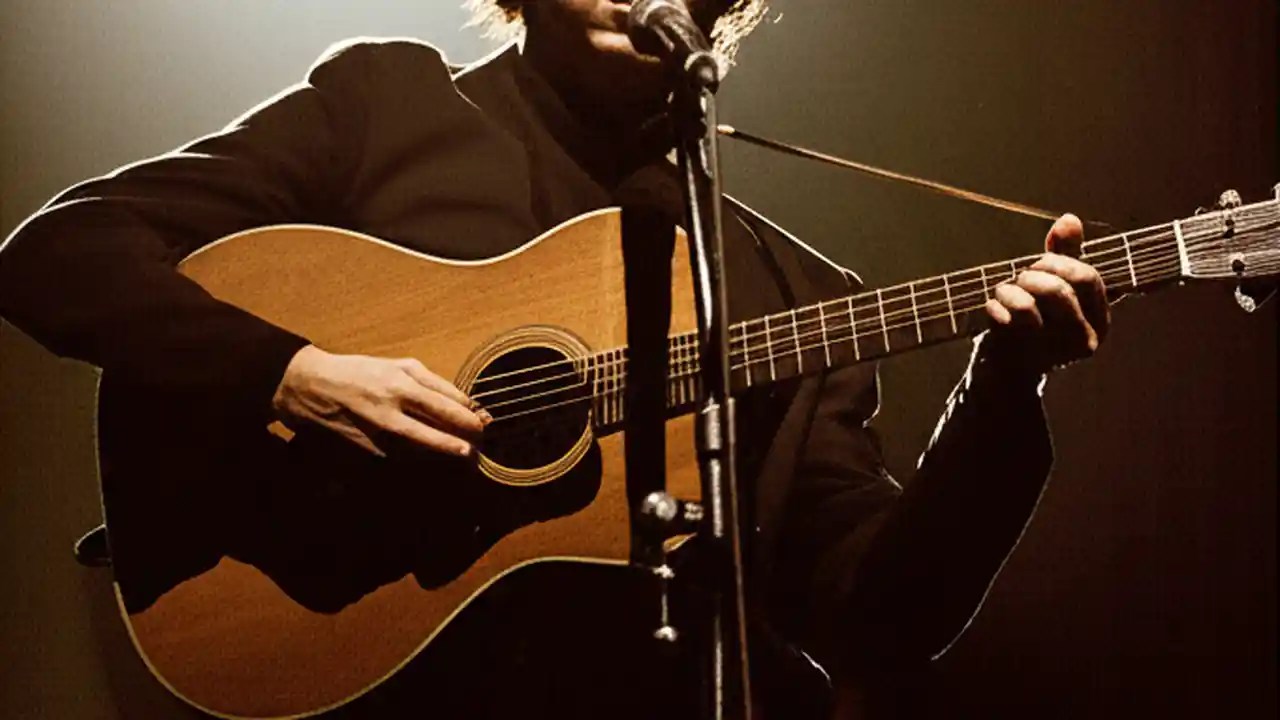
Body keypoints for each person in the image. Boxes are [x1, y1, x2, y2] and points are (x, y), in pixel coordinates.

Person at [0, 1, 1108, 717]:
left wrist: (1004, 392)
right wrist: (287, 372)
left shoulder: (789, 294)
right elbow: (57, 255)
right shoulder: (388, 107)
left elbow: (878, 618)